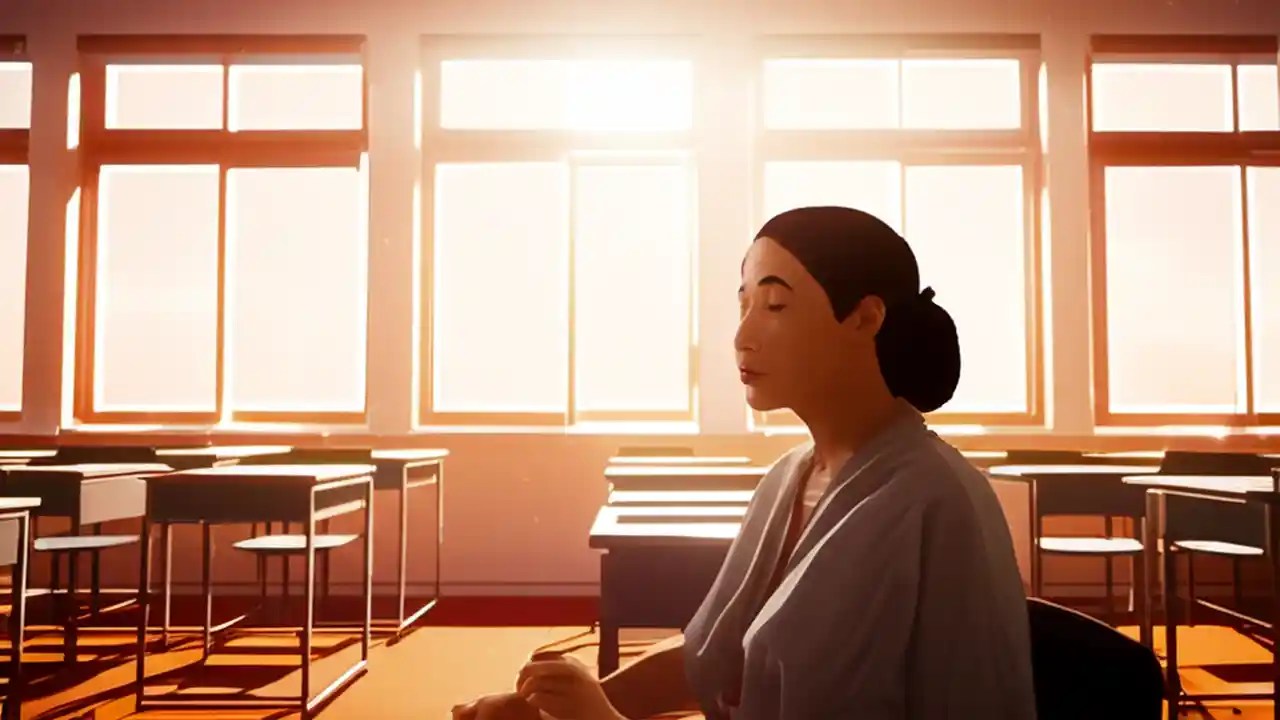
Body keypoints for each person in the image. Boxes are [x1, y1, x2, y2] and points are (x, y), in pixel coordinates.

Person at [452, 206, 1036, 720]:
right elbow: (718, 660)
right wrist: (556, 708)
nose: (743, 334)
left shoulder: (939, 501)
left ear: (864, 319)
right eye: (744, 303)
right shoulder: (789, 477)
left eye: (776, 303)